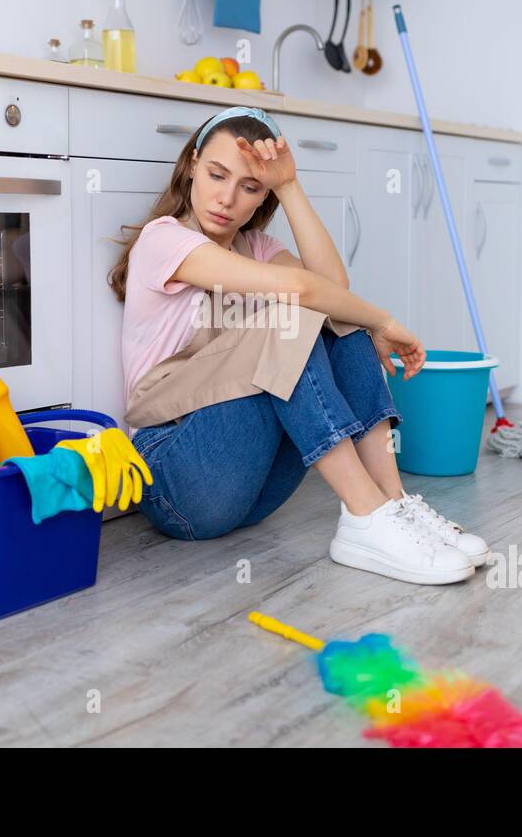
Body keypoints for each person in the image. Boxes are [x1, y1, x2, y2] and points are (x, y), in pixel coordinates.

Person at [108, 106, 489, 585]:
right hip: (175, 475)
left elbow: (334, 289)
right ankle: (364, 514)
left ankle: (392, 505)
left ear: (261, 196)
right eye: (216, 174)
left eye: (249, 186)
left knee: (338, 317)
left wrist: (289, 185)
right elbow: (304, 294)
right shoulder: (164, 240)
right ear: (191, 165)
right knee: (295, 313)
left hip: (251, 490)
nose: (226, 198)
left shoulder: (256, 247)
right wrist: (384, 321)